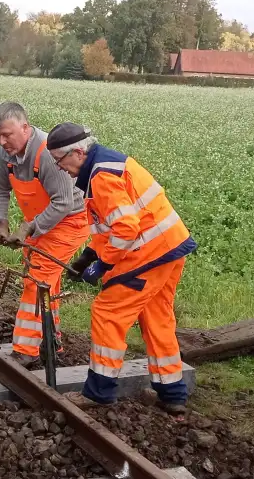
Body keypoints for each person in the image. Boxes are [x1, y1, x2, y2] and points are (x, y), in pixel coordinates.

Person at [47, 123, 197, 419]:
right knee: (157, 318)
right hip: (169, 248)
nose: (59, 168)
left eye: (60, 161)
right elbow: (111, 223)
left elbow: (126, 230)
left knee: (107, 312)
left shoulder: (101, 176)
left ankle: (98, 392)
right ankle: (173, 393)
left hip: (148, 254)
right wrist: (87, 256)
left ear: (77, 153)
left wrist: (102, 265)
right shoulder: (106, 164)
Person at [0, 102, 89, 363]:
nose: (1, 141)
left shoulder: (46, 152)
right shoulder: (5, 155)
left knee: (36, 279)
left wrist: (29, 227)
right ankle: (50, 341)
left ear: (25, 127)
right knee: (46, 282)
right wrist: (0, 222)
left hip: (70, 221)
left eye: (6, 135)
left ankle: (26, 350)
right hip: (40, 221)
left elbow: (64, 202)